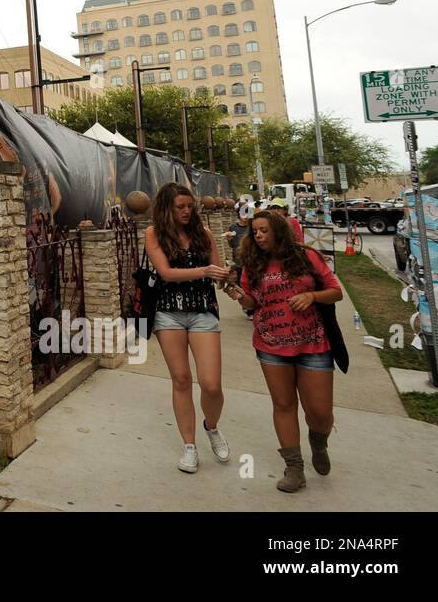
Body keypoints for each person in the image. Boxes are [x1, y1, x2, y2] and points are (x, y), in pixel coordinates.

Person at [228, 211, 344, 493]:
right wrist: (236, 293)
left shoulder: (306, 257)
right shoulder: (253, 264)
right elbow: (252, 302)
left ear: (279, 231)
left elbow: (335, 291)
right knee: (283, 405)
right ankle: (294, 467)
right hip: (271, 344)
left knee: (319, 411)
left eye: (264, 230)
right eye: (255, 231)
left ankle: (319, 441)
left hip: (313, 344)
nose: (258, 236)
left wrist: (312, 296)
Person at [143, 182, 233, 473]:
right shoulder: (154, 233)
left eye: (188, 206)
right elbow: (166, 273)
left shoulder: (203, 234)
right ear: (166, 209)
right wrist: (205, 271)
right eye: (179, 207)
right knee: (181, 380)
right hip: (169, 314)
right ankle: (190, 446)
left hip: (203, 312)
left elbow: (218, 274)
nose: (186, 211)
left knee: (211, 384)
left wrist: (230, 282)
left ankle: (212, 426)